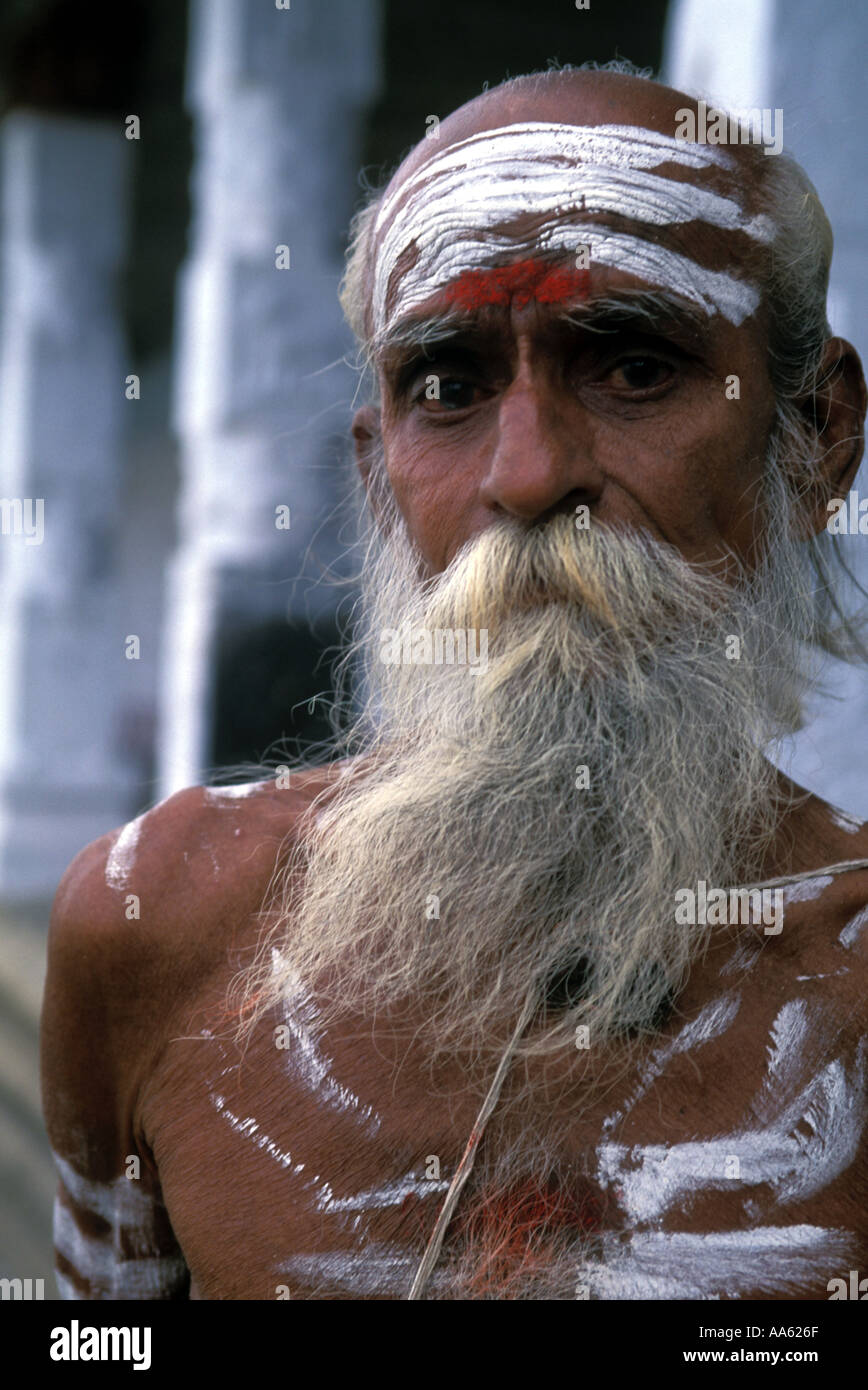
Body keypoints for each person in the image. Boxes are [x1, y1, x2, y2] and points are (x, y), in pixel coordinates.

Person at [42, 63, 868, 1301]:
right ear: (379, 479)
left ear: (813, 441)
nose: (528, 477)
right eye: (448, 387)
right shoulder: (151, 926)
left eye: (634, 367)